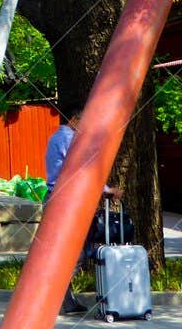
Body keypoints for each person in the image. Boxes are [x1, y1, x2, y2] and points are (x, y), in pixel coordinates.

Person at [43, 113, 123, 314]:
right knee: (77, 251)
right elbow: (81, 169)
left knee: (61, 251)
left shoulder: (55, 138)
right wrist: (107, 190)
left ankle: (67, 301)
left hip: (54, 198)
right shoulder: (70, 139)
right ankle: (55, 294)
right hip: (67, 202)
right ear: (73, 120)